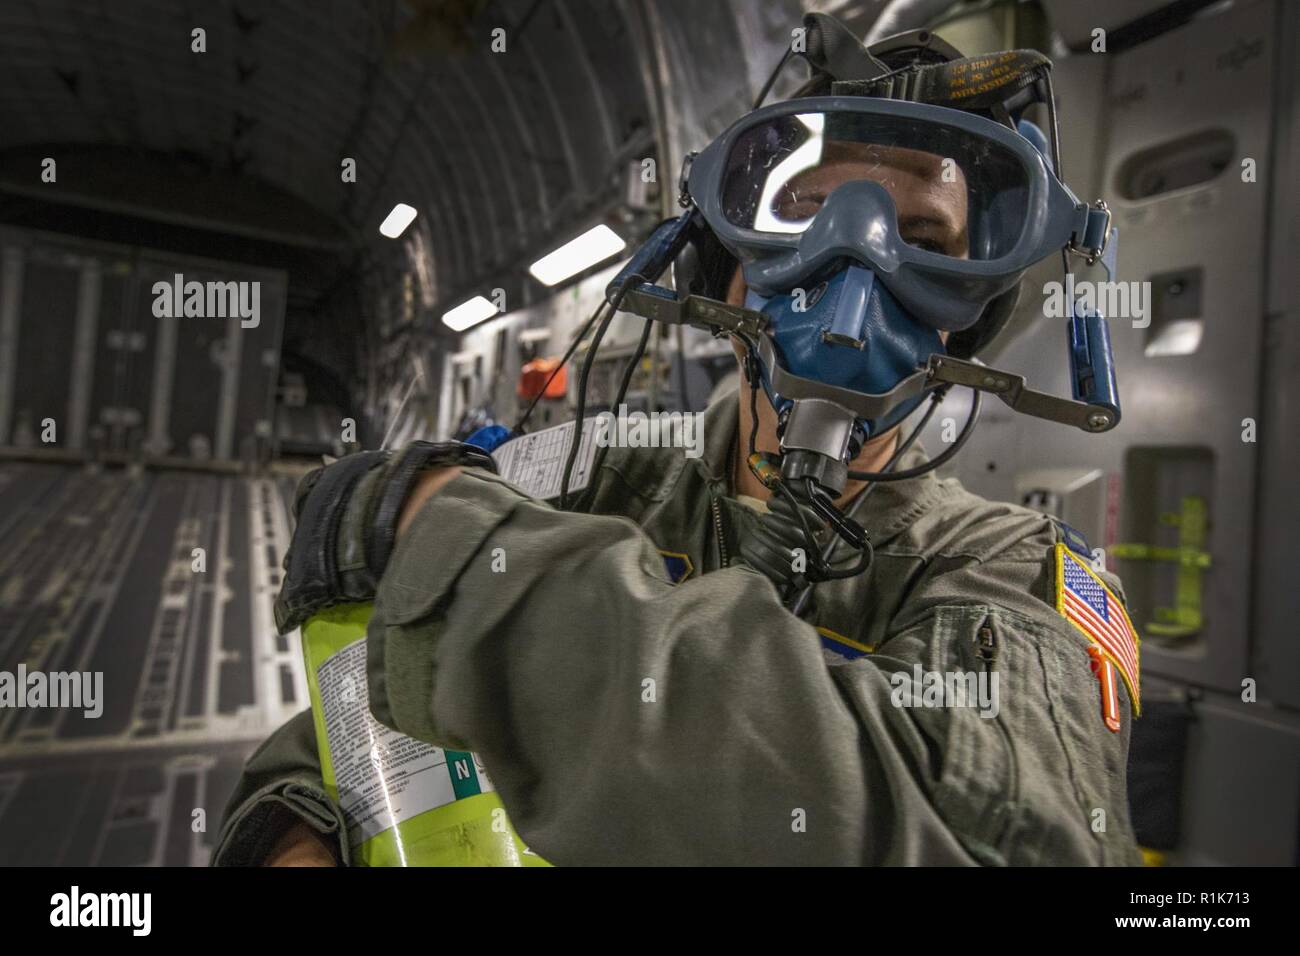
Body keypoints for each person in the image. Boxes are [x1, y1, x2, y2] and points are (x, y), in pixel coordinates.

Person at [214, 19, 1142, 867]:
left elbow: (997, 844)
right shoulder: (575, 477)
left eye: (923, 237)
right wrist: (294, 829)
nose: (855, 279)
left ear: (965, 316)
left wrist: (453, 548)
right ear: (725, 267)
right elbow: (359, 717)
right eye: (805, 215)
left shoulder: (1014, 574)